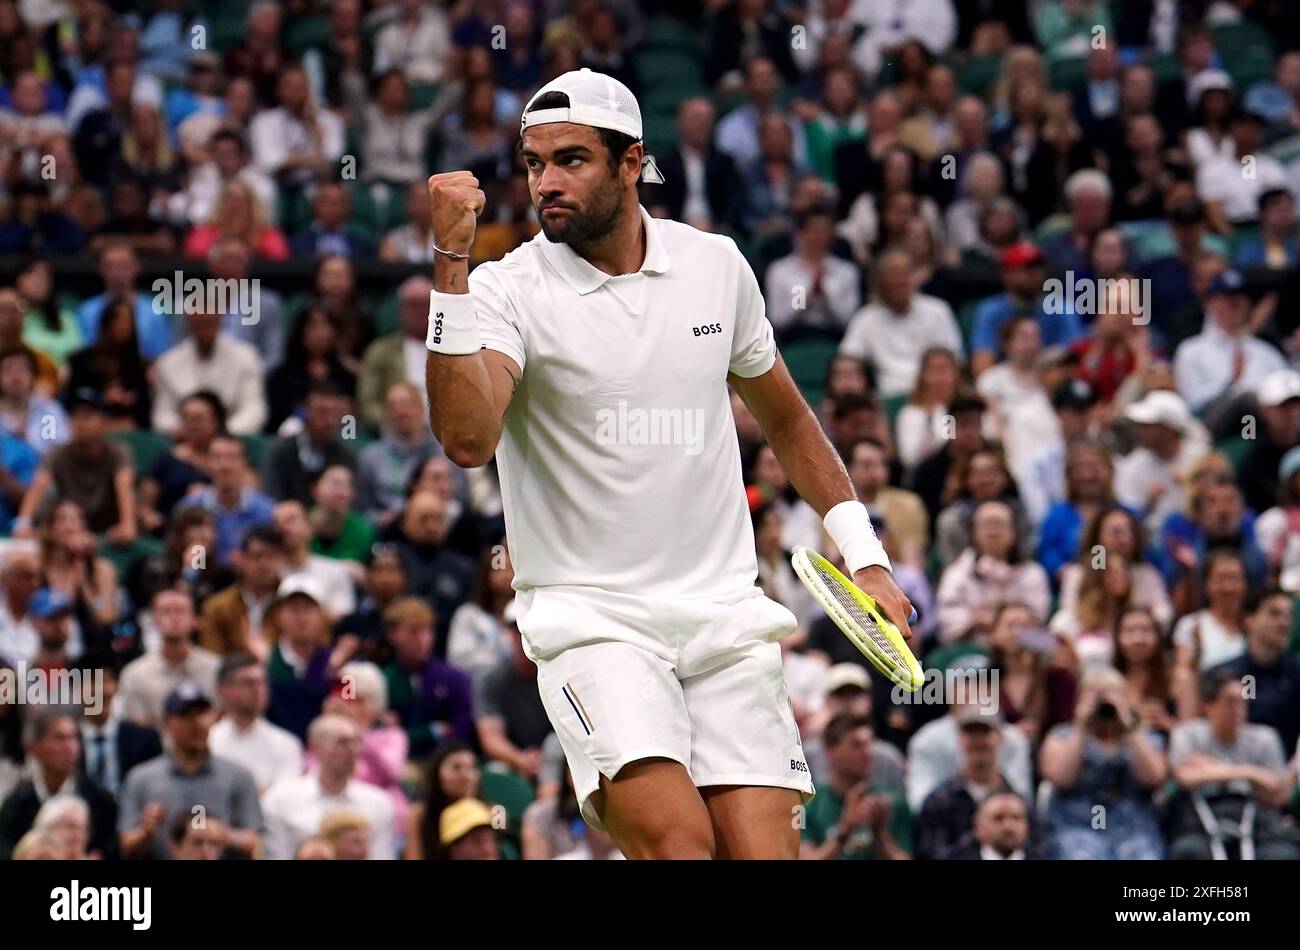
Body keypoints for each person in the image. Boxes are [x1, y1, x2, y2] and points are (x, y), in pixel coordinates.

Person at [426, 68, 915, 859]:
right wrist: (450, 264)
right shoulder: (504, 289)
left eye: (571, 160)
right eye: (533, 163)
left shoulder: (716, 267)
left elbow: (788, 418)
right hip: (595, 626)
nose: (546, 183)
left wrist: (864, 556)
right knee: (683, 849)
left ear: (631, 164)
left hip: (725, 619)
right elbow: (468, 439)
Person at [118, 681, 263, 860]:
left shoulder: (237, 776)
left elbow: (254, 842)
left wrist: (221, 834)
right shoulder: (141, 779)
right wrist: (145, 832)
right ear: (167, 723)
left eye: (202, 714)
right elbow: (125, 844)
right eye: (186, 716)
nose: (197, 723)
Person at [1167, 669, 1300, 860]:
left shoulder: (1265, 737)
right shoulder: (1188, 734)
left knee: (1282, 855)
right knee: (1187, 851)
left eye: (1243, 703)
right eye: (1230, 702)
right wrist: (1251, 773)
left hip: (1256, 818)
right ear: (1209, 705)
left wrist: (1210, 769)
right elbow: (1184, 778)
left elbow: (1277, 794)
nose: (1239, 710)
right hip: (1201, 818)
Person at [1038, 667, 1168, 859]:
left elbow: (1154, 777)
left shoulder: (1145, 738)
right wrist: (1081, 727)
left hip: (1134, 830)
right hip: (1078, 828)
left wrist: (1129, 726)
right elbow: (1060, 779)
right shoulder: (1063, 736)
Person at [261, 714, 396, 860]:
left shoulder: (379, 803)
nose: (352, 750)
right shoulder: (280, 799)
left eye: (356, 742)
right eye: (342, 742)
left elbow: (382, 856)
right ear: (315, 748)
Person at [14, 389, 135, 542]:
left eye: (88, 416)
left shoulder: (118, 452)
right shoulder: (57, 453)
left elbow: (124, 486)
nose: (80, 423)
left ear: (103, 421)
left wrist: (127, 525)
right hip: (71, 527)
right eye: (75, 416)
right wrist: (23, 523)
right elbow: (39, 484)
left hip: (108, 530)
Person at [0, 708, 118, 860]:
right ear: (34, 747)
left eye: (74, 738)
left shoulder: (100, 800)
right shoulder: (17, 804)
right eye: (59, 738)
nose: (69, 746)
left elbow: (110, 850)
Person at [915, 706, 1023, 860]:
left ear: (1000, 737)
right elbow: (930, 854)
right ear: (960, 739)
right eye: (971, 733)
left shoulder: (1018, 803)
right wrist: (977, 839)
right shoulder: (938, 802)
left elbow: (1037, 852)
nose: (978, 741)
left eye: (985, 732)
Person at [799, 714, 912, 860]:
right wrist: (845, 829)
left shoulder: (892, 803)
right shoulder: (808, 803)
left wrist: (879, 833)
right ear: (830, 752)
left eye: (870, 743)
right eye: (856, 745)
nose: (868, 753)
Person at [151, 309, 268, 438]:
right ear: (188, 322)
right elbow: (162, 416)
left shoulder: (246, 357)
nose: (204, 330)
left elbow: (254, 411)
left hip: (230, 439)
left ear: (220, 320)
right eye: (199, 324)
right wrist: (188, 431)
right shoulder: (168, 362)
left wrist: (221, 432)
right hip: (183, 440)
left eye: (208, 323)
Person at [1210, 589, 1300, 754]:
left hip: (1286, 769)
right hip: (1231, 764)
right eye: (1274, 614)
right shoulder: (1226, 674)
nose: (1284, 623)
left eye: (1289, 616)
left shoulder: (1296, 674)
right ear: (1249, 620)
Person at [116, 589, 221, 727]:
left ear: (195, 620)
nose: (174, 618)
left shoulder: (216, 668)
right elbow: (135, 726)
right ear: (154, 620)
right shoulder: (134, 675)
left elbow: (223, 718)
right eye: (166, 611)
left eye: (181, 611)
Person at [208, 652, 305, 794]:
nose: (258, 689)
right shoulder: (210, 740)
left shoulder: (287, 743)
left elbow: (286, 798)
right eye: (249, 683)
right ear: (224, 689)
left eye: (262, 682)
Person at [176, 435, 275, 568]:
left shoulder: (266, 511)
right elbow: (182, 563)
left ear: (244, 463)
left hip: (251, 582)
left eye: (232, 458)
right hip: (205, 579)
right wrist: (197, 560)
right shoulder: (189, 509)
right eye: (217, 458)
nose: (225, 466)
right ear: (207, 463)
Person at [198, 524, 285, 660]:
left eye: (271, 556)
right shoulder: (216, 607)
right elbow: (211, 659)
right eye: (257, 556)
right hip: (229, 678)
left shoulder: (291, 604)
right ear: (242, 559)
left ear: (282, 560)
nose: (264, 563)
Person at [78, 659, 162, 796]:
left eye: (106, 681)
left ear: (116, 687)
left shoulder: (145, 739)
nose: (100, 691)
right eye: (92, 682)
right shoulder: (65, 740)